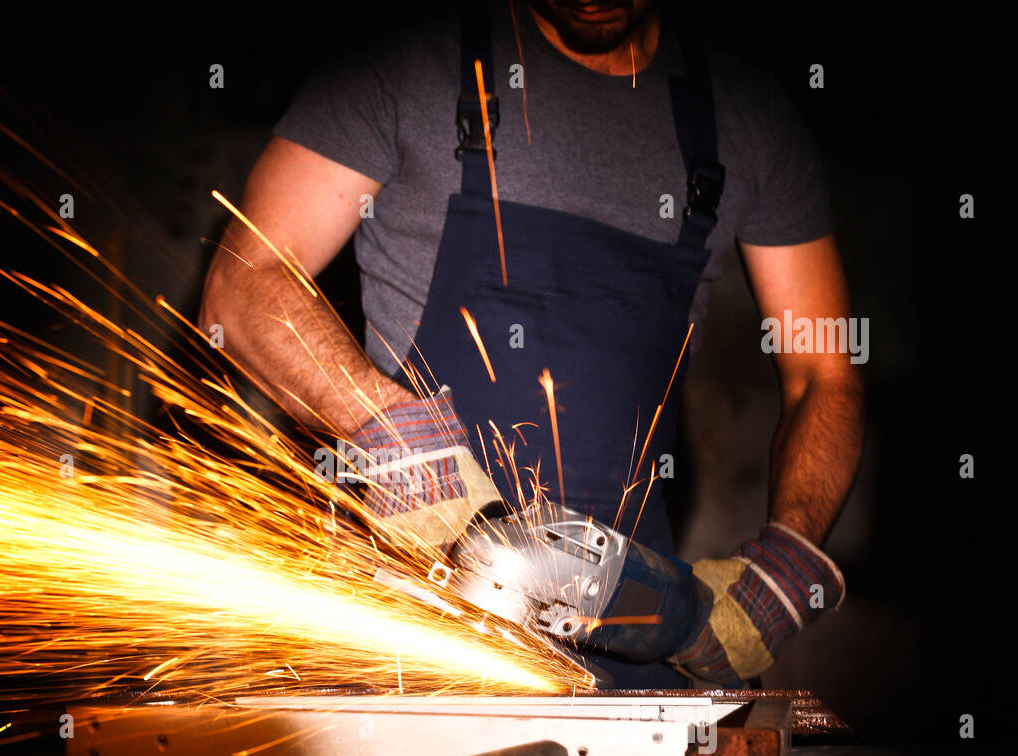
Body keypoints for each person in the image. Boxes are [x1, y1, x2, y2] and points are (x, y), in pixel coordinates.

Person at [199, 0, 863, 688]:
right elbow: (243, 284)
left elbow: (824, 370)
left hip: (627, 646)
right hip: (409, 629)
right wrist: (390, 433)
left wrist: (792, 550)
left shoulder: (747, 115)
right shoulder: (401, 59)